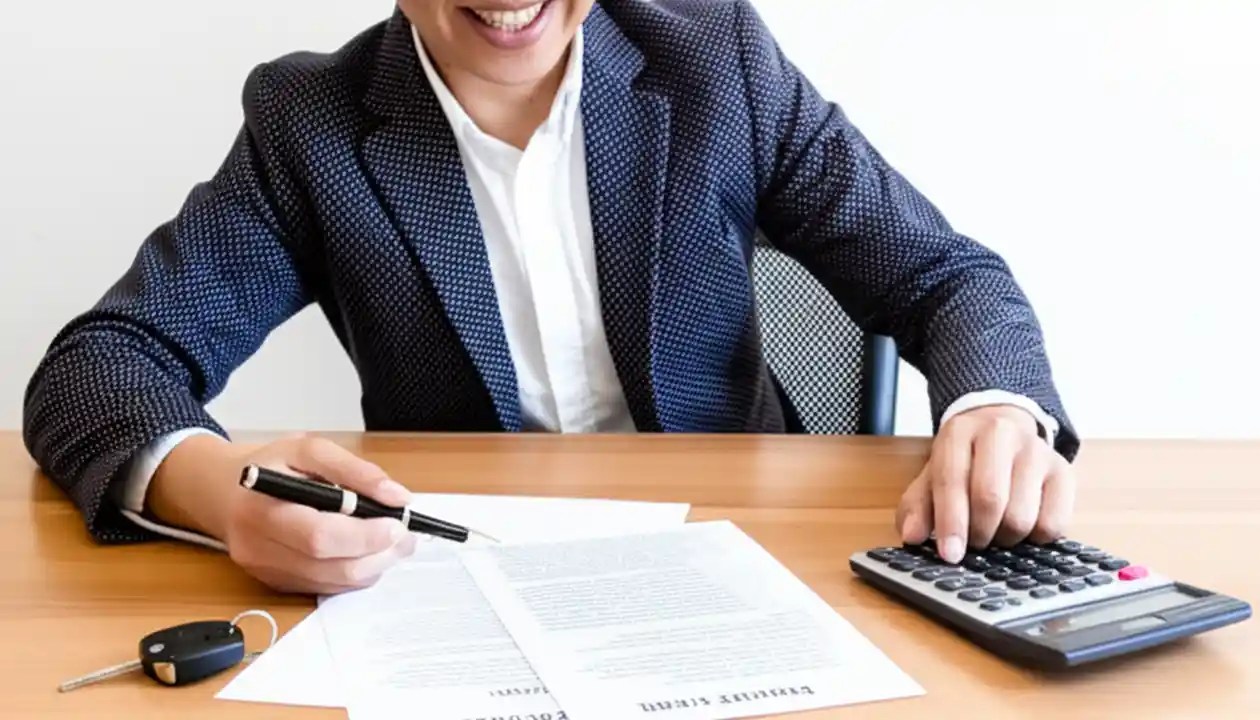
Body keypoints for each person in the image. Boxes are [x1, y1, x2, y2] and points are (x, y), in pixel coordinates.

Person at [23, 0, 1079, 595]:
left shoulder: (718, 60)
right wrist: (218, 493)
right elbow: (100, 368)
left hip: (742, 562)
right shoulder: (311, 122)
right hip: (456, 580)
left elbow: (944, 277)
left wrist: (993, 408)